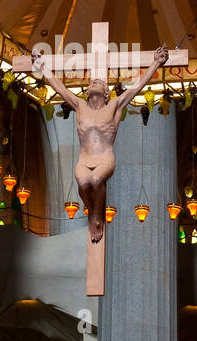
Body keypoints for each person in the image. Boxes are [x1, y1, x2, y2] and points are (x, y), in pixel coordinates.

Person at [32, 45, 169, 243]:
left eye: (99, 82)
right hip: (84, 158)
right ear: (87, 92)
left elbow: (135, 87)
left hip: (105, 157)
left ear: (106, 94)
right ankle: (94, 213)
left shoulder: (114, 105)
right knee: (82, 182)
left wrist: (156, 62)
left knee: (95, 180)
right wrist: (42, 66)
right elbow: (60, 88)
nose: (95, 82)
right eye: (93, 82)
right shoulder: (79, 105)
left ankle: (96, 216)